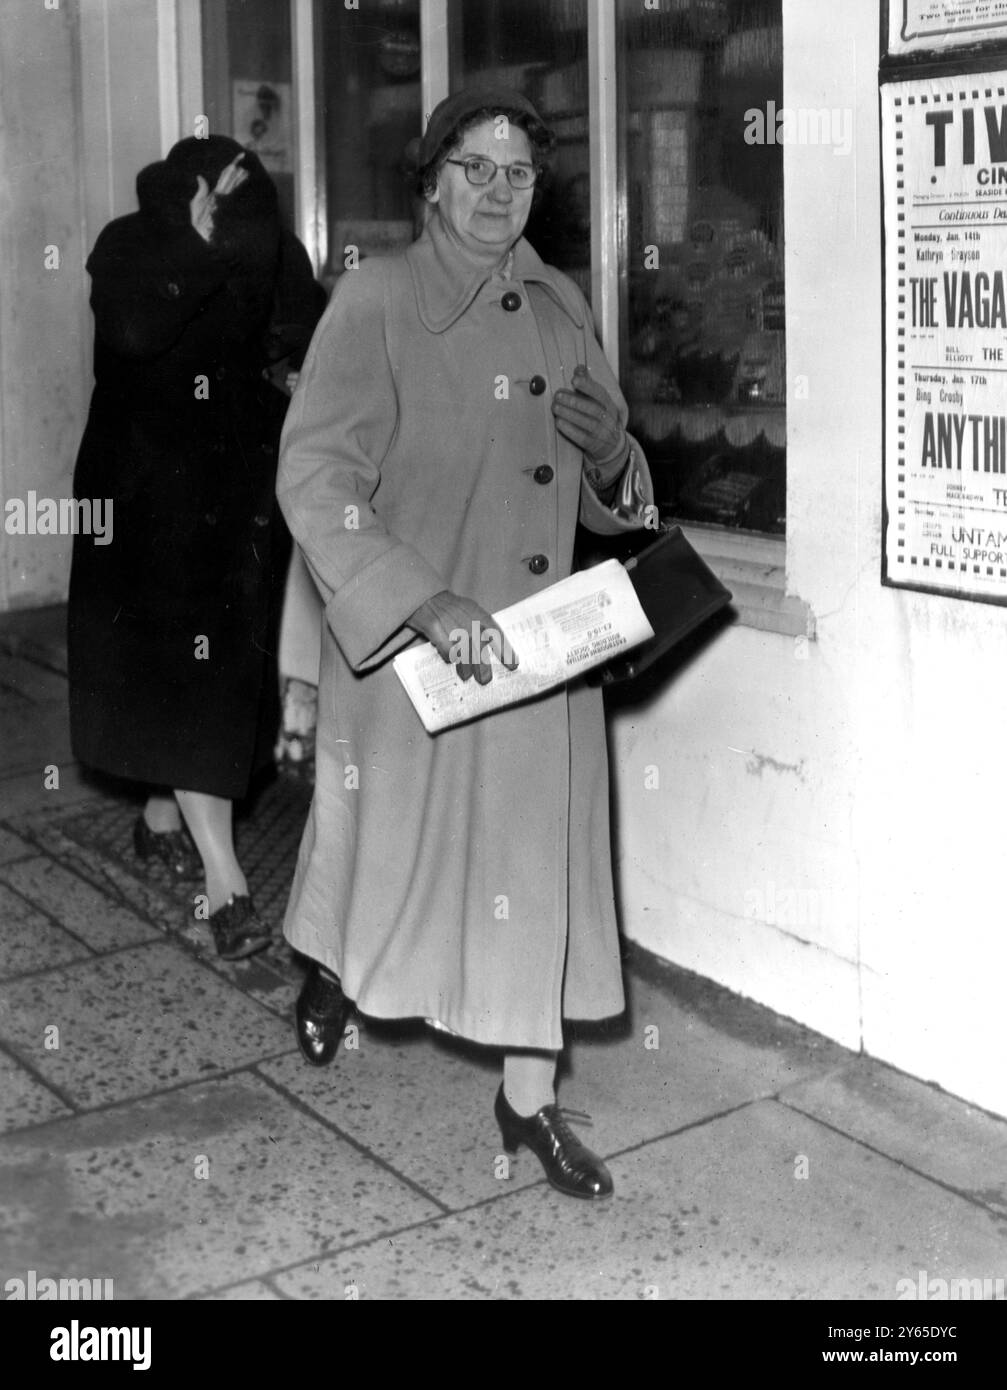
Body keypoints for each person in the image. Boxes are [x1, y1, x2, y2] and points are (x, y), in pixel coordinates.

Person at [277, 88, 653, 1199]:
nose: (497, 192)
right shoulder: (377, 299)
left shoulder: (556, 302)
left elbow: (613, 498)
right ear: (432, 180)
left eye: (518, 174)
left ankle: (525, 1099)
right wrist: (414, 598)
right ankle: (332, 969)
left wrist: (611, 453)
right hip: (413, 648)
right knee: (384, 853)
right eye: (475, 169)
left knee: (530, 871)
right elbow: (316, 475)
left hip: (533, 657)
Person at [67, 135, 324, 960]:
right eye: (219, 191)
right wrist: (195, 242)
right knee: (176, 674)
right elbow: (137, 330)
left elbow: (302, 333)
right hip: (143, 500)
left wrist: (290, 375)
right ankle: (227, 888)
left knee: (206, 683)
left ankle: (160, 816)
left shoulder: (272, 247)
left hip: (237, 496)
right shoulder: (130, 242)